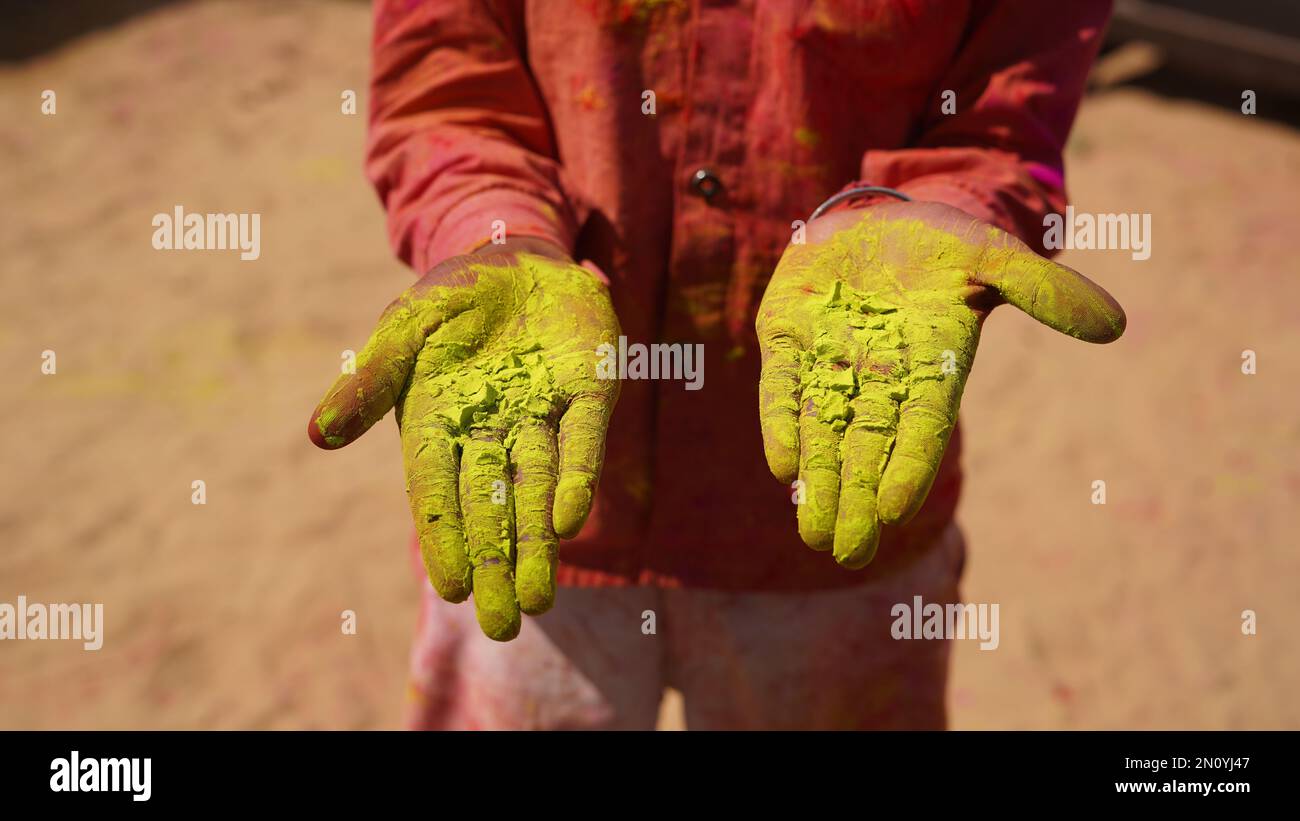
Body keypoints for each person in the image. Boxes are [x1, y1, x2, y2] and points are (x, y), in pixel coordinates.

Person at [308, 0, 1125, 730]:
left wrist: (921, 214)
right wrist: (499, 236)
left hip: (841, 492)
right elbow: (448, 95)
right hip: (538, 495)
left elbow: (996, 125)